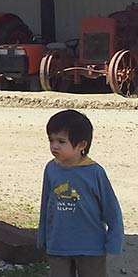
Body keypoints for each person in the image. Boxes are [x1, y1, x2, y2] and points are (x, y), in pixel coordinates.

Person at [37, 109, 124, 277]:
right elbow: (46, 205)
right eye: (51, 140)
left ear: (82, 145)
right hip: (58, 245)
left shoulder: (95, 172)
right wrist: (43, 237)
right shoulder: (51, 169)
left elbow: (111, 209)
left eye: (61, 141)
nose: (54, 146)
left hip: (91, 248)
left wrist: (114, 241)